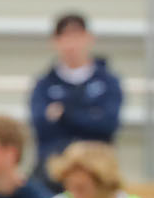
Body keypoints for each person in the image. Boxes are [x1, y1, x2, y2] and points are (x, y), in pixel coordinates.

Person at [30, 13, 123, 182]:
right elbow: (42, 127)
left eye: (76, 36)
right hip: (54, 168)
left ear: (89, 38)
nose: (71, 44)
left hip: (98, 168)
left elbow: (107, 125)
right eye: (65, 37)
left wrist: (65, 115)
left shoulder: (108, 82)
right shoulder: (44, 84)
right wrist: (89, 115)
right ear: (55, 41)